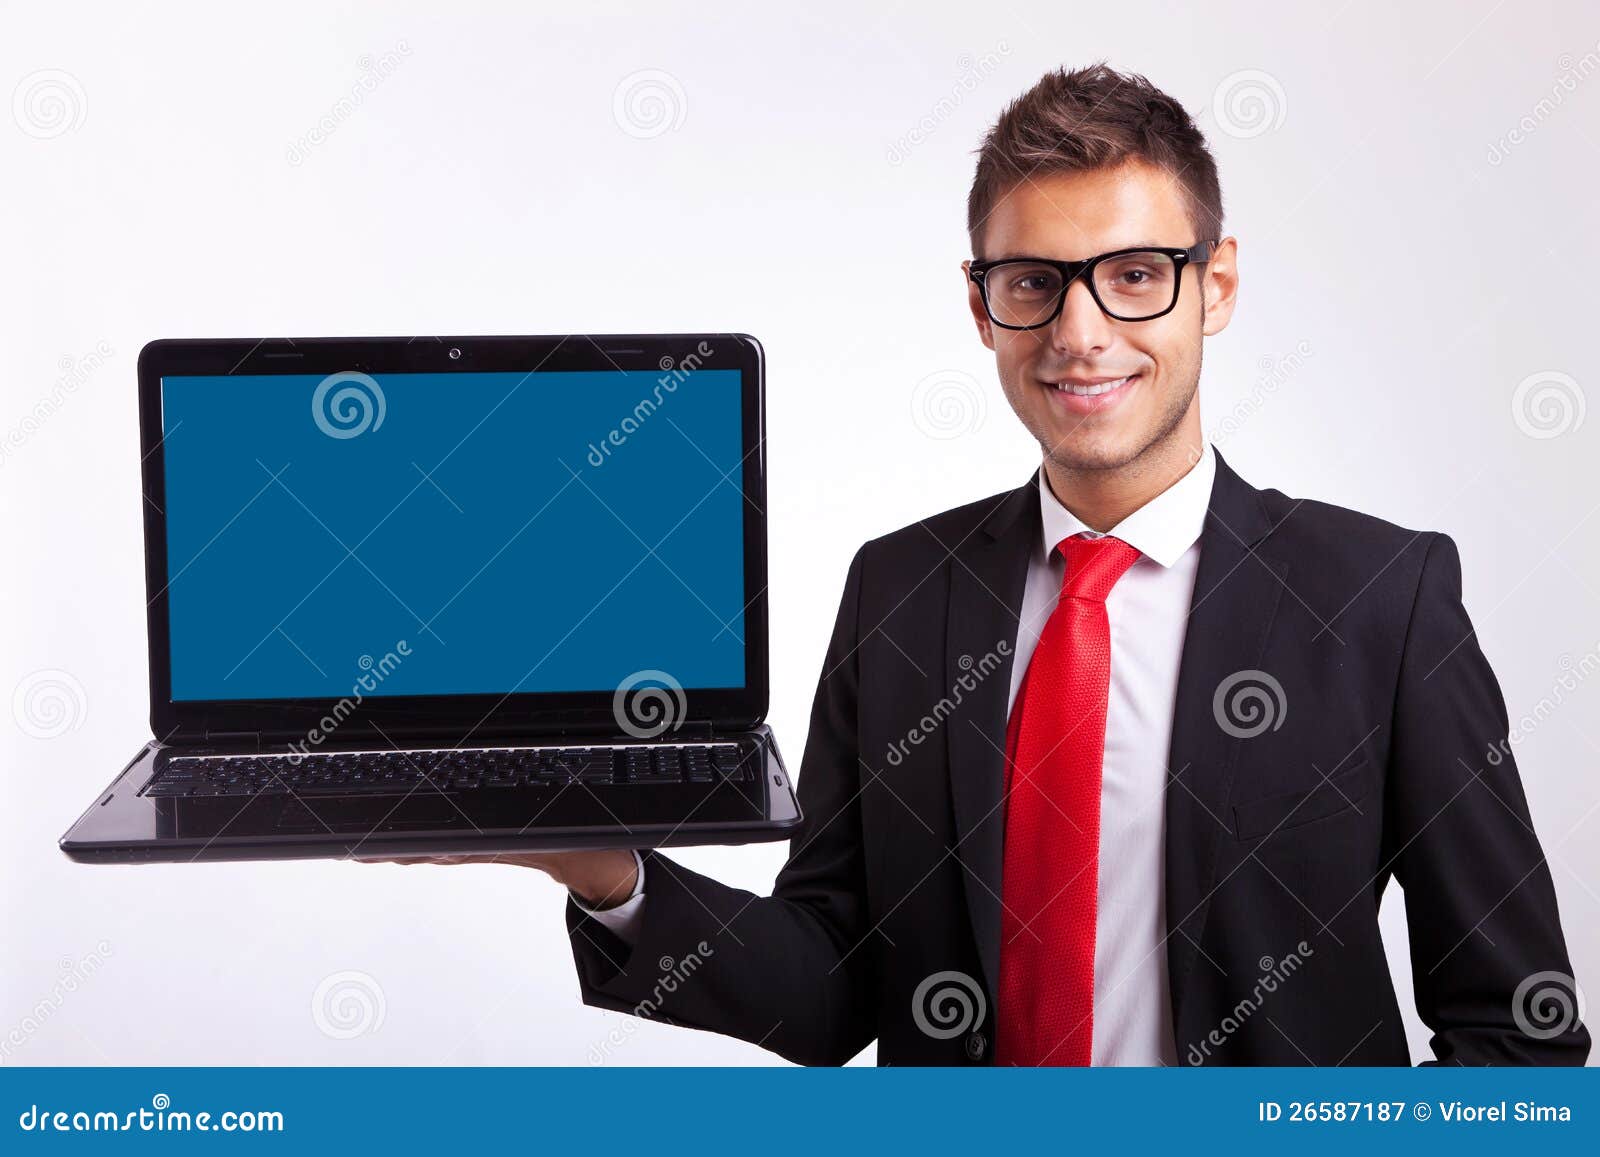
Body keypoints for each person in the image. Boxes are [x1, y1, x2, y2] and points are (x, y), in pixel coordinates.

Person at [375, 62, 1590, 1067]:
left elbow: (1514, 1026)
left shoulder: (1379, 598)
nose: (1079, 332)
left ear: (1213, 284)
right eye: (1032, 284)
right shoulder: (902, 592)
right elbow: (831, 988)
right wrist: (595, 860)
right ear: (981, 305)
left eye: (1133, 275)